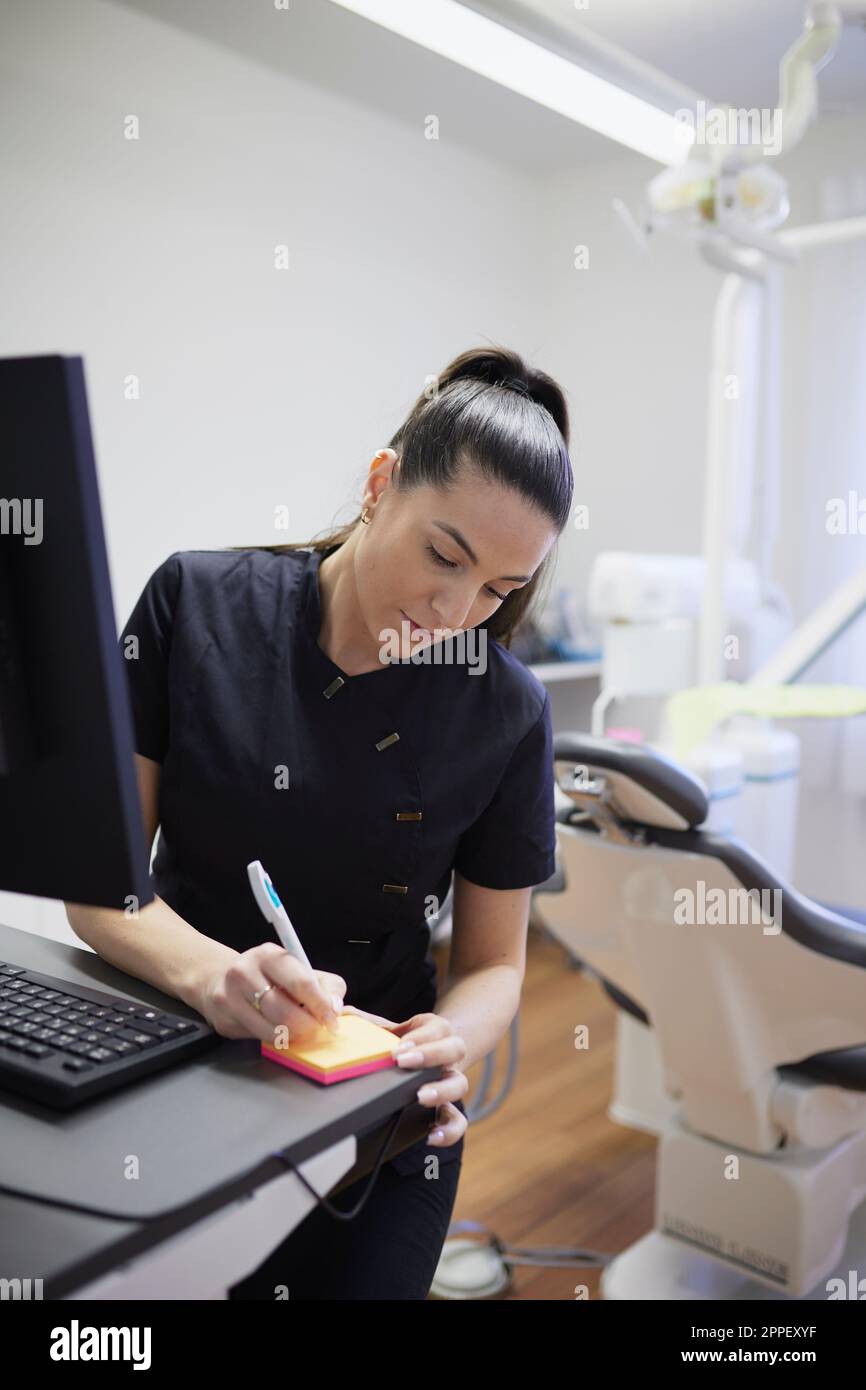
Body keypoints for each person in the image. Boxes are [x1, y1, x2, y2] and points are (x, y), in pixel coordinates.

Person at [66, 343, 574, 1299]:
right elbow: (103, 892)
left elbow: (497, 966)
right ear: (383, 485)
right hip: (170, 1041)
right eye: (444, 555)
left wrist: (448, 1043)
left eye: (501, 591)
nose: (455, 610)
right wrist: (217, 977)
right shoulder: (198, 604)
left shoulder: (505, 712)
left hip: (372, 1099)